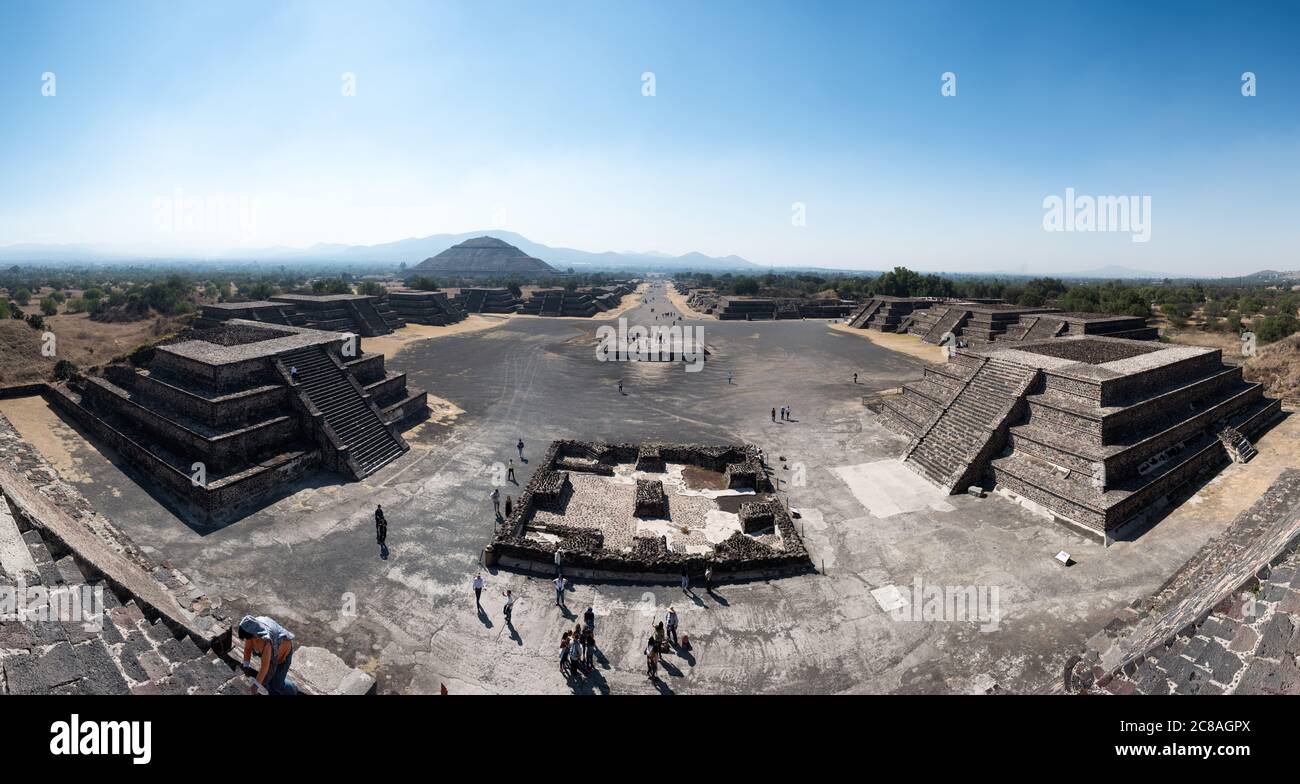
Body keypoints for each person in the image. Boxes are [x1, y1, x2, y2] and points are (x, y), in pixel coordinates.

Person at [237, 615, 297, 695]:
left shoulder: (266, 641)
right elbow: (247, 649)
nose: (247, 640)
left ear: (255, 636)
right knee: (268, 681)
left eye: (248, 638)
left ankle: (293, 689)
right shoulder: (251, 629)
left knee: (277, 685)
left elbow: (265, 666)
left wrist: (255, 686)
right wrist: (246, 666)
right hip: (273, 654)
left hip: (283, 654)